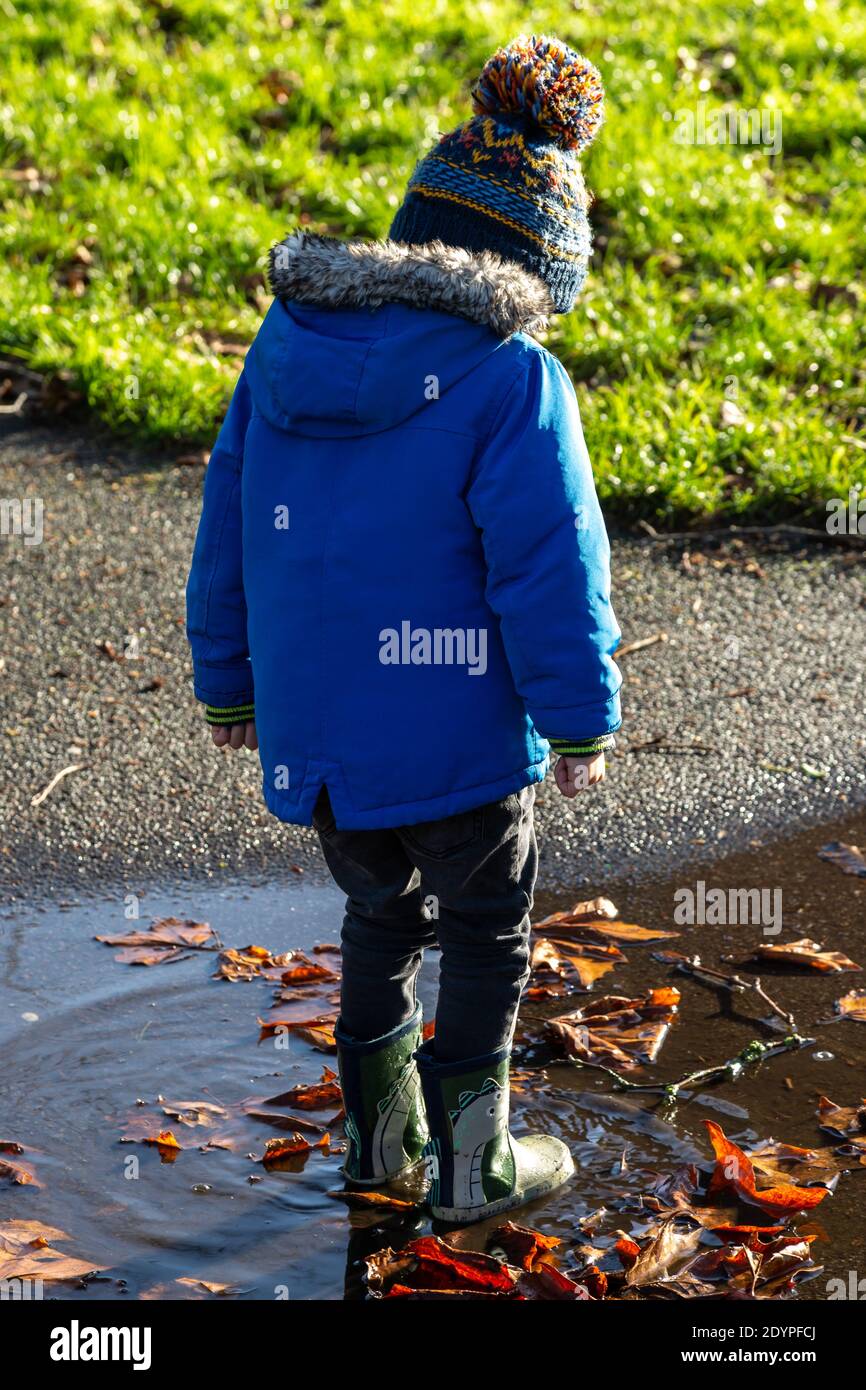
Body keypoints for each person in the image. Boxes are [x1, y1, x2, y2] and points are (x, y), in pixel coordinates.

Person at [186, 34, 621, 1224]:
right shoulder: (511, 381)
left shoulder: (285, 348)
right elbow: (548, 571)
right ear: (538, 272)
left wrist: (227, 683)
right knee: (486, 924)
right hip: (459, 745)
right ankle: (473, 1163)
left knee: (379, 915)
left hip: (321, 744)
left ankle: (381, 1145)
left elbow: (226, 518)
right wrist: (579, 717)